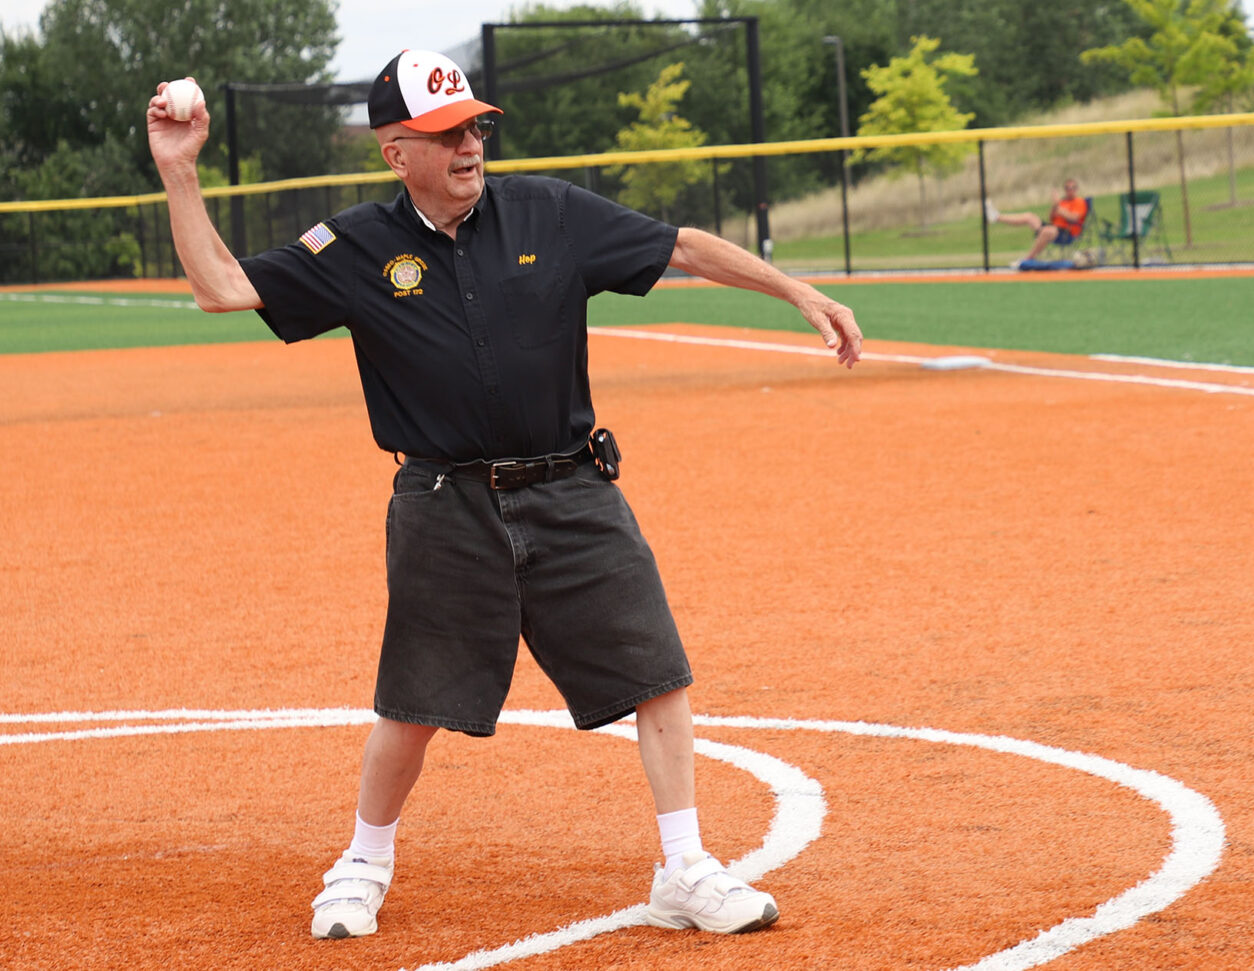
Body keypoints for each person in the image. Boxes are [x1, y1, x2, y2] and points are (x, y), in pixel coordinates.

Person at [145, 49, 863, 942]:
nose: (469, 145)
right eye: (446, 134)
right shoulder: (357, 246)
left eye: (476, 125)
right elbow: (223, 289)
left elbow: (678, 244)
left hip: (571, 486)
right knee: (413, 703)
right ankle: (363, 860)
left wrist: (795, 289)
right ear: (395, 152)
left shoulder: (550, 212)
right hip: (446, 502)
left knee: (657, 672)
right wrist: (180, 173)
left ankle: (684, 866)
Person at [986, 178, 1090, 264]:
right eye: (1067, 188)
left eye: (1072, 188)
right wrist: (1054, 206)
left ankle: (1027, 259)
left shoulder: (1079, 202)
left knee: (1047, 231)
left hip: (1067, 233)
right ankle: (996, 217)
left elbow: (1074, 218)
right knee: (1029, 216)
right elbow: (1052, 218)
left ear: (1077, 189)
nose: (1070, 190)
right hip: (1054, 228)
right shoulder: (1062, 201)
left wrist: (1057, 206)